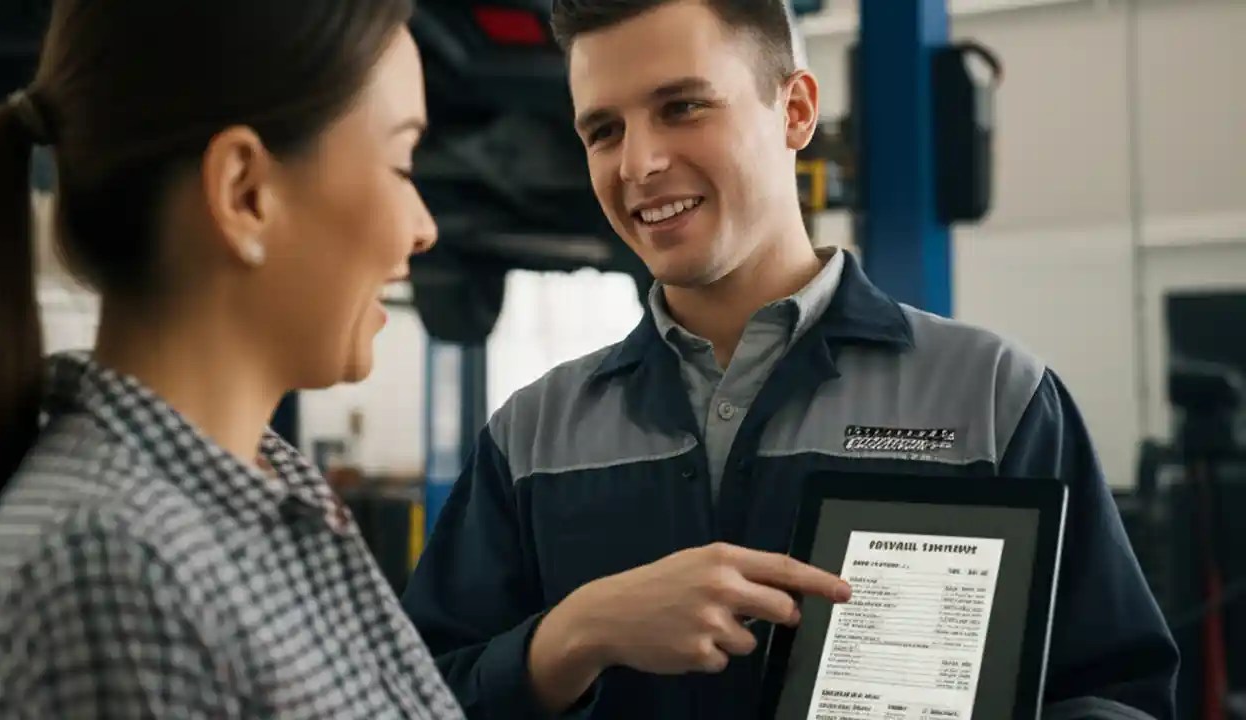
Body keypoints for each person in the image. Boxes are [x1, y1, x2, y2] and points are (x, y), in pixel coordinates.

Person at [399, 0, 1181, 718]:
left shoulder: (991, 398)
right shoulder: (533, 436)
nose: (637, 162)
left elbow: (1117, 696)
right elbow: (415, 696)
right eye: (603, 130)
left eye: (682, 107)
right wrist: (575, 634)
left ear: (796, 111)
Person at [0, 1, 464, 717]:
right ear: (244, 193)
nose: (423, 228)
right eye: (401, 164)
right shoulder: (113, 569)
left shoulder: (273, 485)